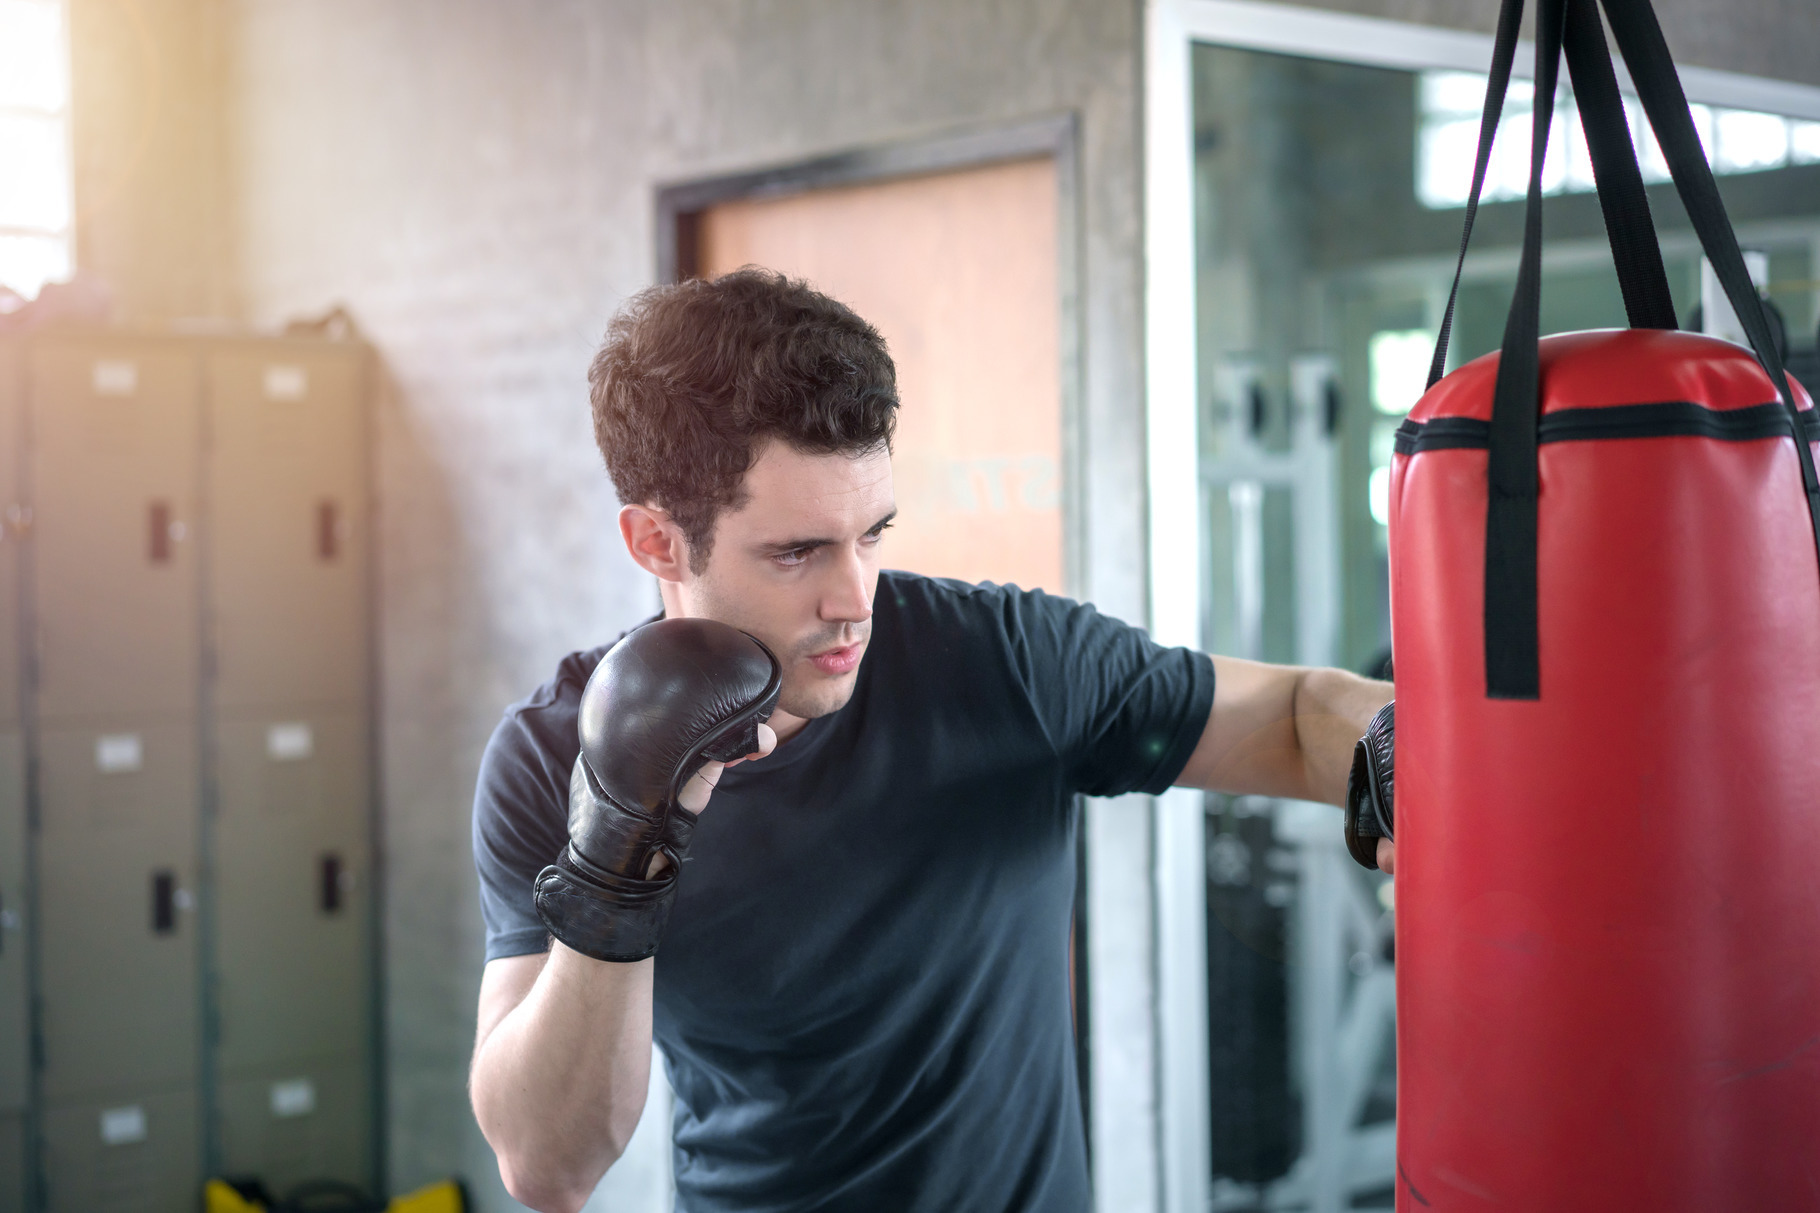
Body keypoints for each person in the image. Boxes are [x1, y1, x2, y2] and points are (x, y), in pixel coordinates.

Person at [468, 268, 1395, 1213]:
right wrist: (618, 861)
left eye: (873, 533)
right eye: (798, 552)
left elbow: (1291, 719)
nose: (855, 601)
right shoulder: (555, 754)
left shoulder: (1003, 664)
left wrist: (1420, 760)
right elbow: (550, 1166)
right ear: (657, 541)